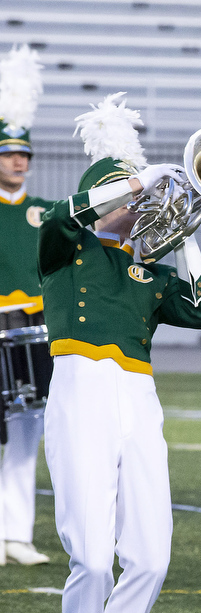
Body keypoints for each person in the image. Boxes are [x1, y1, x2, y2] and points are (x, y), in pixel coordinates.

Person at [40, 93, 201, 613]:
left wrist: (189, 232)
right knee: (90, 553)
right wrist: (138, 177)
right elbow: (66, 216)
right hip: (81, 388)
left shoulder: (147, 269)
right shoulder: (66, 249)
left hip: (138, 395)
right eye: (126, 193)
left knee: (150, 550)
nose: (138, 202)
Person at [0, 44, 51, 566]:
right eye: (8, 153)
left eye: (23, 154)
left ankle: (15, 533)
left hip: (32, 330)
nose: (18, 161)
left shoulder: (43, 212)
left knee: (25, 431)